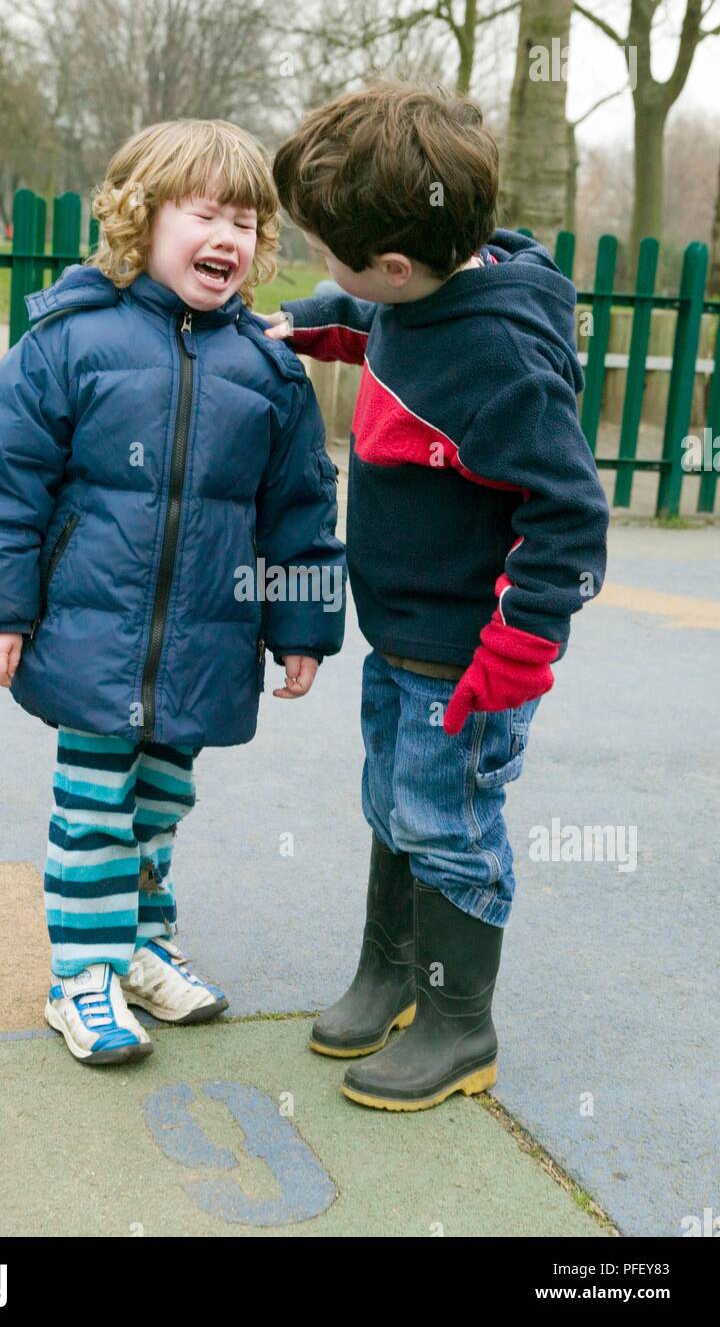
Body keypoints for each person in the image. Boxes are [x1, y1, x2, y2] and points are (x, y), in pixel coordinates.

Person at [0, 119, 346, 1065]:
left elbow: (298, 508)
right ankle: (79, 977)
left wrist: (302, 626)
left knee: (160, 805)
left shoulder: (268, 371)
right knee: (93, 805)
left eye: (246, 223)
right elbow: (0, 477)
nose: (228, 238)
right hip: (94, 635)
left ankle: (138, 948)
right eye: (204, 213)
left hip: (207, 638)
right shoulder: (70, 342)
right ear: (141, 219)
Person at [260, 78, 609, 1111]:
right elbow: (376, 316)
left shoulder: (499, 357)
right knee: (396, 802)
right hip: (403, 636)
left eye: (327, 249)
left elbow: (571, 519)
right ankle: (392, 974)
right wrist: (311, 322)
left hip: (469, 658)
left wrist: (516, 655)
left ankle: (460, 1022)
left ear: (403, 264)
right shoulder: (431, 291)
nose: (323, 265)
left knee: (450, 822)